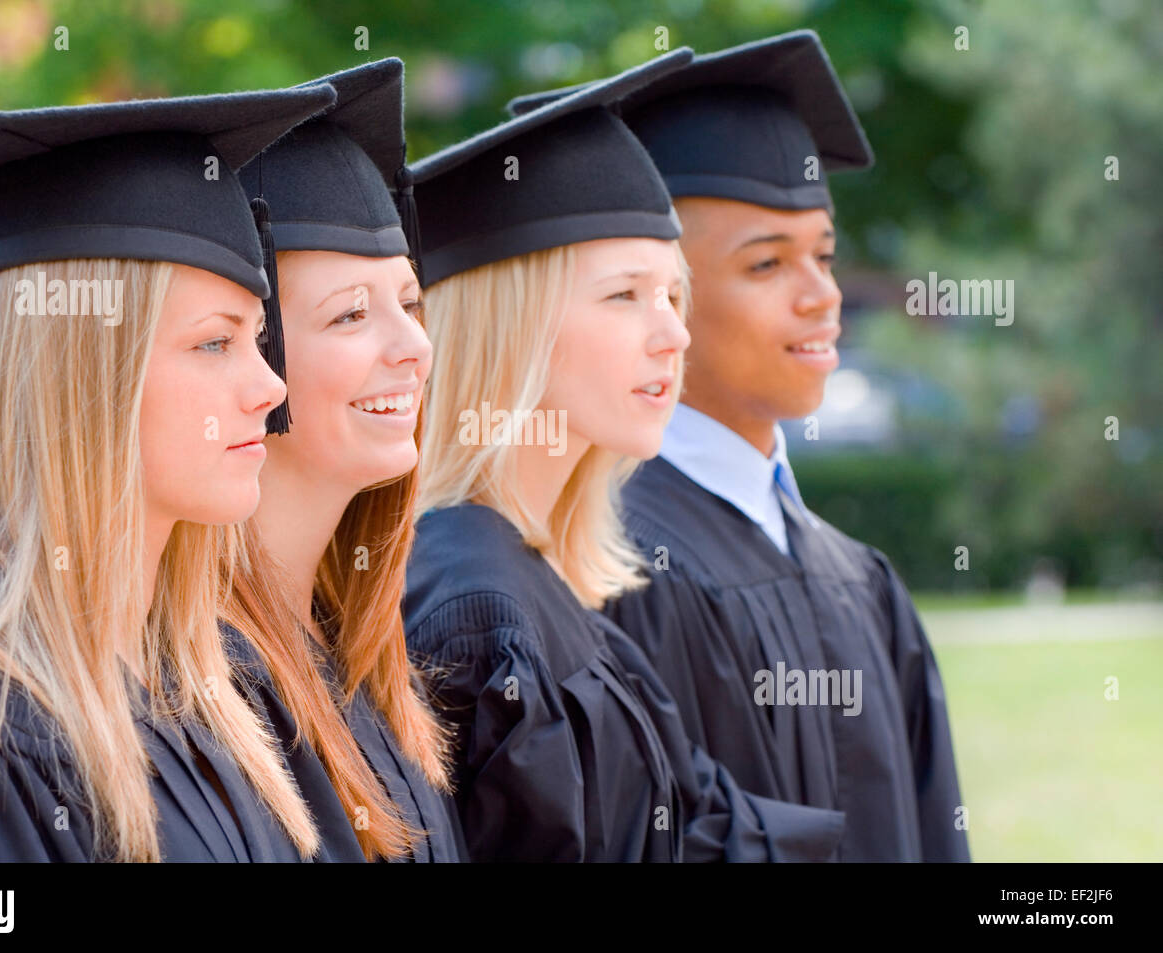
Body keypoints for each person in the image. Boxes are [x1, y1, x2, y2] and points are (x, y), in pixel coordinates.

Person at [510, 31, 970, 861]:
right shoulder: (607, 567)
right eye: (767, 265)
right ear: (665, 294)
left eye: (824, 256)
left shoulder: (858, 576)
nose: (822, 296)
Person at [0, 86, 347, 861]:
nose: (270, 385)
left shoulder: (216, 682)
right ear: (78, 377)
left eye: (257, 339)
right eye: (214, 344)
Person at [404, 49, 847, 862]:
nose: (674, 333)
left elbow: (704, 827)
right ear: (514, 330)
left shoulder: (539, 577)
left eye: (672, 296)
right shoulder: (475, 605)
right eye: (624, 295)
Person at [224, 58, 465, 862]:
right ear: (249, 357)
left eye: (410, 302)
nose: (413, 347)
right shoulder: (197, 686)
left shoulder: (359, 652)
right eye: (352, 314)